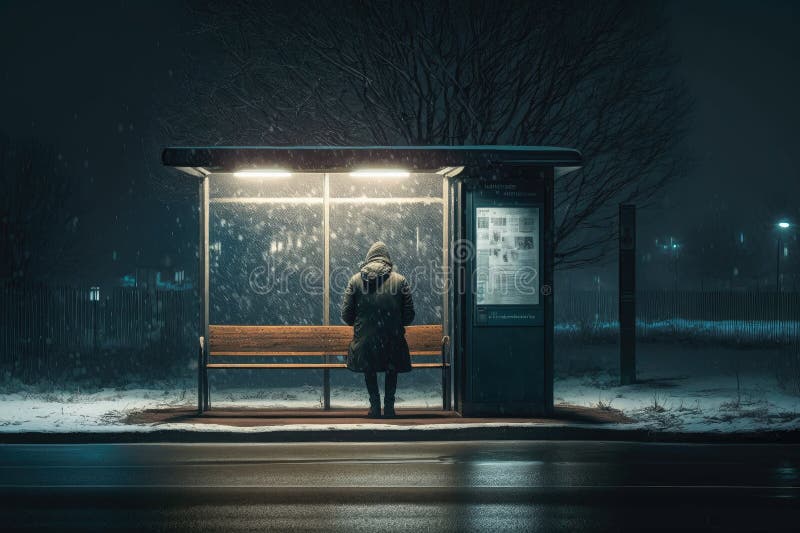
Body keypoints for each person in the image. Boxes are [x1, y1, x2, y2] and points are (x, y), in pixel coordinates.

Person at [340, 241, 415, 418]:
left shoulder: (355, 280)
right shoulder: (400, 280)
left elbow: (346, 315)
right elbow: (409, 315)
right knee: (392, 368)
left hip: (365, 343)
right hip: (392, 340)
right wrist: (394, 323)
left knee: (369, 366)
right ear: (387, 260)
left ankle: (374, 406)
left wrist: (363, 326)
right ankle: (389, 406)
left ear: (368, 259)